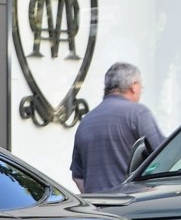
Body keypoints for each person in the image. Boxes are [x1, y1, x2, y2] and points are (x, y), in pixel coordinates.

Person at [70, 62, 165, 192]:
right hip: (131, 206)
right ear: (133, 86)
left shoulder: (86, 120)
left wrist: (97, 198)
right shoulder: (138, 113)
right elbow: (164, 156)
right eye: (141, 86)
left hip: (96, 208)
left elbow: (77, 176)